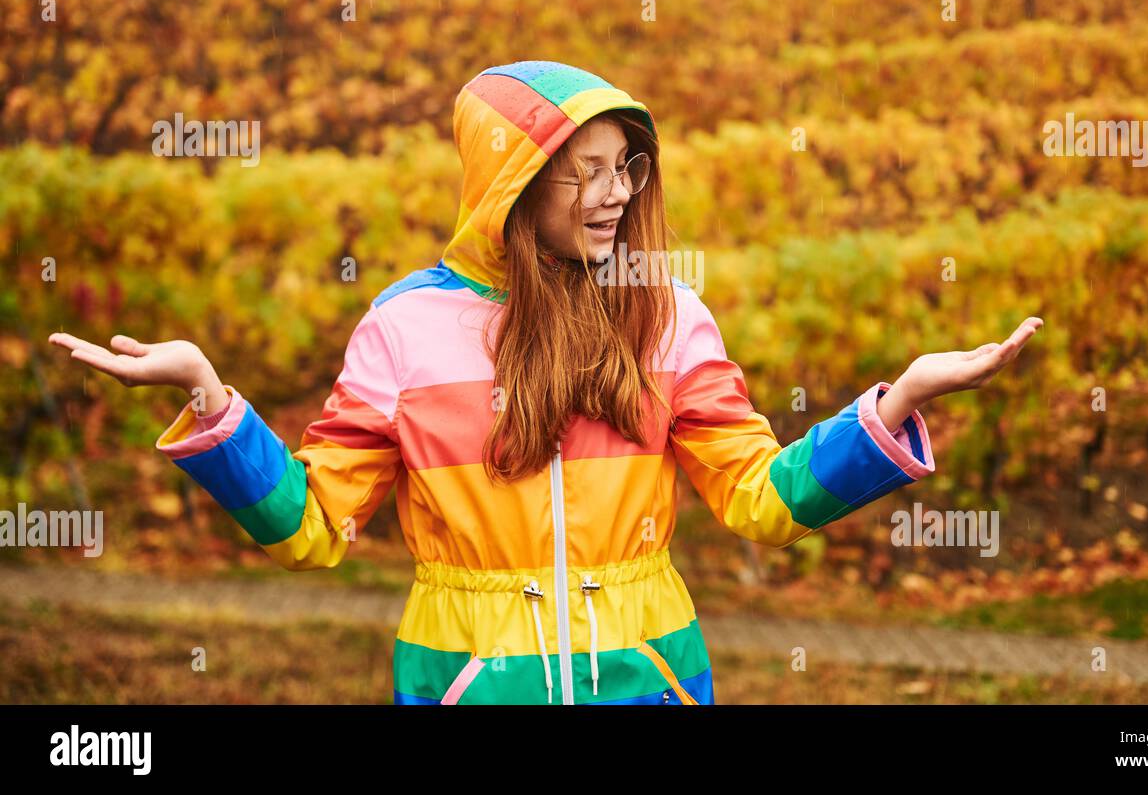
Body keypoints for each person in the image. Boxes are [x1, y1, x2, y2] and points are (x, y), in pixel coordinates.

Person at [48, 59, 1042, 705]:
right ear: (512, 184)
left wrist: (896, 401)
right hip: (464, 684)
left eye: (628, 168)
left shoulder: (666, 316)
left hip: (653, 681)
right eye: (587, 170)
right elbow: (313, 532)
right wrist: (213, 402)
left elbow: (759, 499)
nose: (616, 193)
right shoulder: (404, 329)